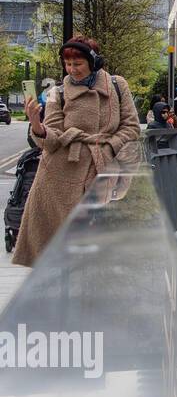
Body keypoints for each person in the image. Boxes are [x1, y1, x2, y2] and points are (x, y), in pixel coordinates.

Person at [13, 36, 140, 267]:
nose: (72, 70)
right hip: (59, 178)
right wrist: (36, 126)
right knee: (58, 257)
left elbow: (131, 128)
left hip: (102, 171)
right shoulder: (57, 93)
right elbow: (51, 141)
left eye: (77, 64)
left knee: (98, 253)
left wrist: (108, 146)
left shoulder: (116, 85)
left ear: (93, 62)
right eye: (67, 64)